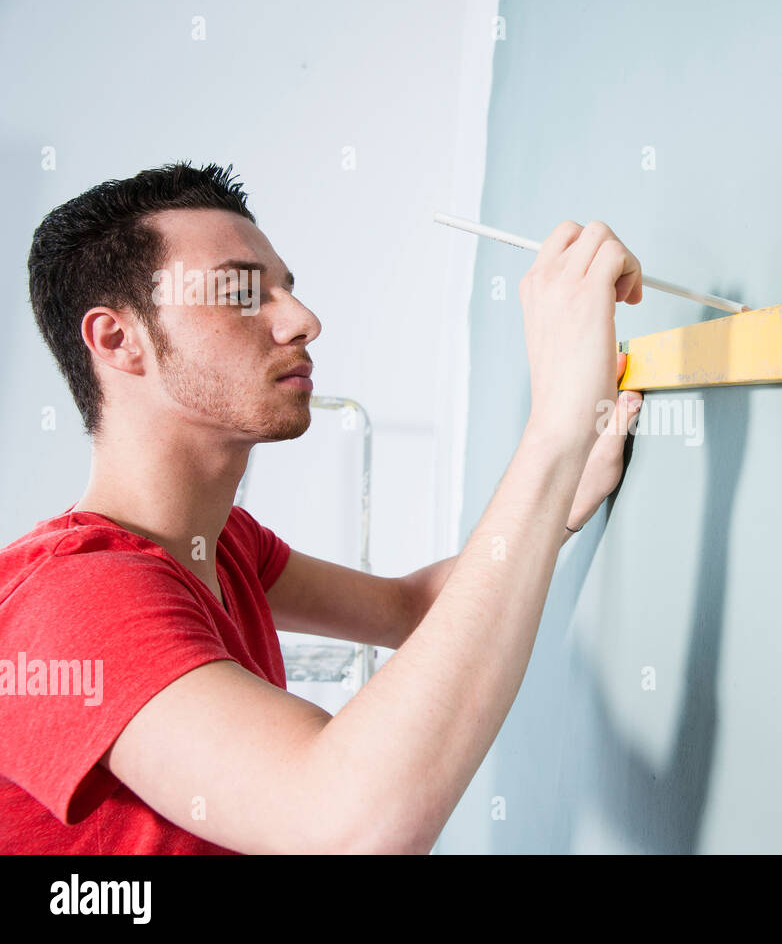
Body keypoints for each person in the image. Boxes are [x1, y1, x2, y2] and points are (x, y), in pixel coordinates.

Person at [0, 162, 644, 853]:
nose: (302, 320)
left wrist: (566, 496)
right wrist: (552, 431)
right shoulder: (71, 596)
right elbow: (342, 829)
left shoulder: (222, 544)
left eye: (288, 290)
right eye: (242, 293)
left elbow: (411, 611)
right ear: (118, 341)